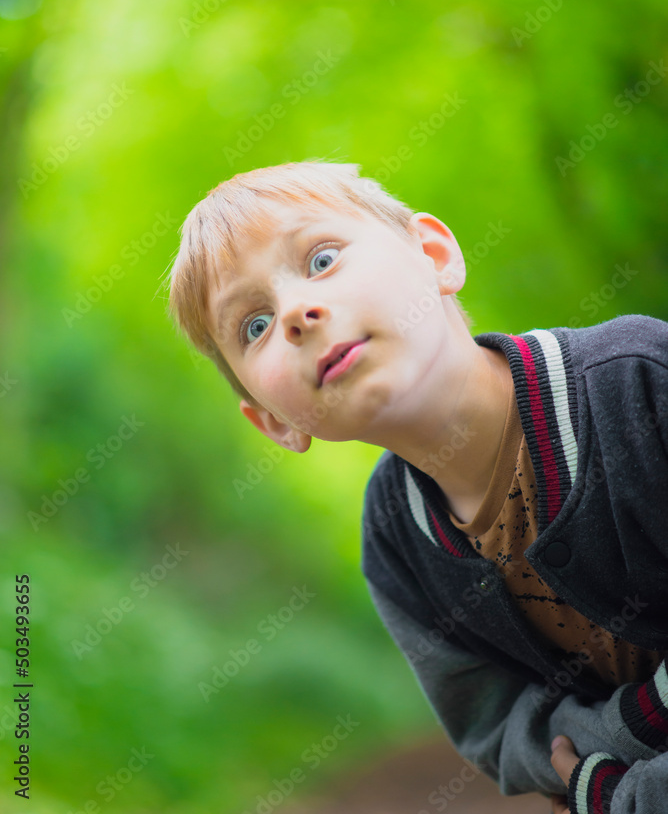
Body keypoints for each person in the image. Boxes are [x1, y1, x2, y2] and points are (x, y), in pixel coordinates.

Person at [166, 159, 668, 814]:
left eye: (320, 260)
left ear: (434, 256)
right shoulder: (395, 536)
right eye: (253, 326)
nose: (295, 312)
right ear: (273, 422)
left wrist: (621, 789)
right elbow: (497, 726)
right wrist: (604, 769)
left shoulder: (635, 384)